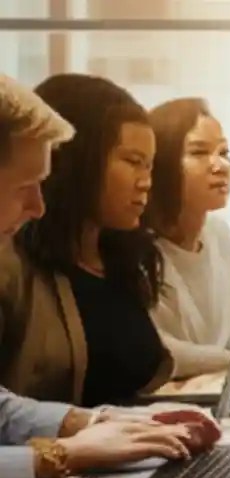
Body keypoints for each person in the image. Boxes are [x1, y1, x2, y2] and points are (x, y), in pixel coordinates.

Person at [0, 74, 218, 478]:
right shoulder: (13, 266)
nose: (38, 206)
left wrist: (98, 423)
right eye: (25, 187)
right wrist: (62, 454)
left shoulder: (123, 256)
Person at [0, 74, 172, 407]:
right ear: (77, 161)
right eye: (133, 162)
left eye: (149, 166)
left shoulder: (120, 257)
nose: (145, 182)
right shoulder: (13, 265)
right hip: (69, 440)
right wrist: (80, 426)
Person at [144, 97, 230, 379]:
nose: (220, 165)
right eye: (199, 152)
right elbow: (158, 348)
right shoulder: (137, 248)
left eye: (224, 152)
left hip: (217, 389)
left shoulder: (218, 233)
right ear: (160, 163)